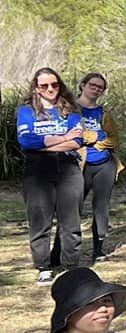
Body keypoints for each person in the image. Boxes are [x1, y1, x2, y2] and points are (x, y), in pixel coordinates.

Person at [17, 67, 87, 282]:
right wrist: (63, 137)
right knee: (40, 220)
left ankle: (71, 265)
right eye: (44, 86)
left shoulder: (70, 110)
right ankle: (43, 266)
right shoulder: (27, 111)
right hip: (38, 170)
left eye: (54, 85)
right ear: (36, 88)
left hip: (68, 168)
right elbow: (26, 141)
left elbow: (78, 141)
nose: (50, 89)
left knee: (71, 221)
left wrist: (47, 143)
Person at [76, 72, 118, 263]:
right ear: (83, 85)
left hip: (104, 164)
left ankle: (98, 250)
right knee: (72, 208)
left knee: (101, 206)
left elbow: (114, 138)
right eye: (93, 85)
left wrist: (101, 142)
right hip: (79, 165)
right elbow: (72, 135)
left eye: (100, 87)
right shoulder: (71, 109)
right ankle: (62, 250)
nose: (96, 89)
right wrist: (89, 137)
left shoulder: (103, 112)